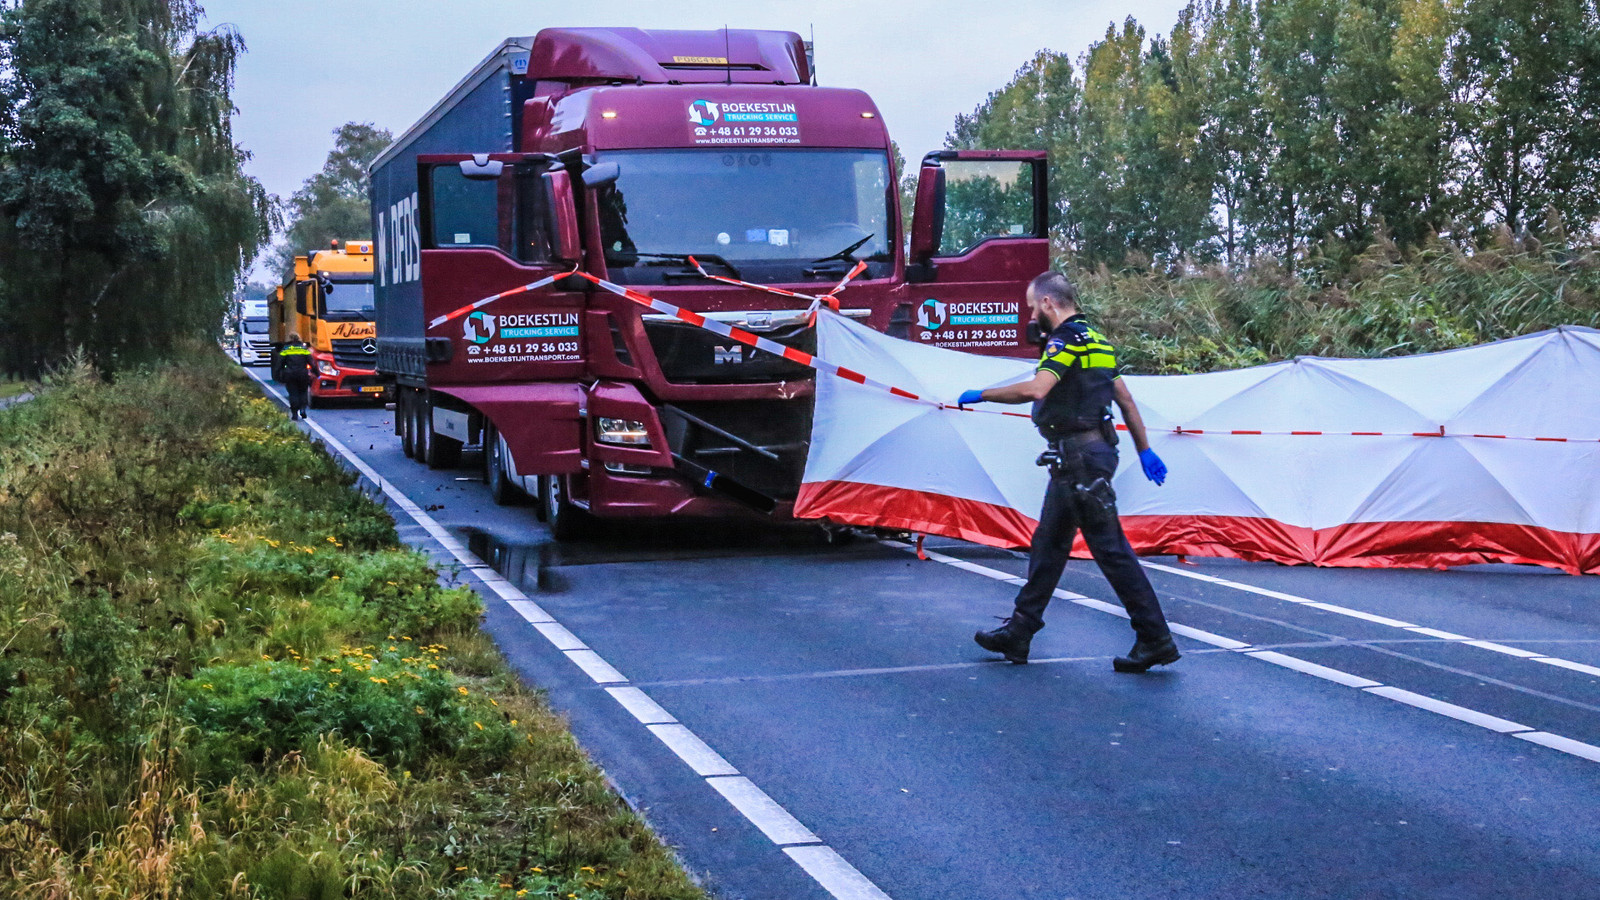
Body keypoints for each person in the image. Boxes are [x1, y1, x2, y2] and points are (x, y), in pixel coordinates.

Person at [955, 271, 1179, 673]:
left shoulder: (1065, 340)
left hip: (1079, 459)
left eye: (1030, 305)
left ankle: (1155, 638)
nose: (1030, 313)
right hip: (1086, 456)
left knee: (1110, 551)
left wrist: (982, 394)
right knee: (1049, 544)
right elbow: (1125, 400)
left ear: (1047, 304)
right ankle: (1019, 631)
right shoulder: (1098, 341)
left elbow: (1038, 389)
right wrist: (1144, 450)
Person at [279, 333, 313, 420]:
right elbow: (311, 362)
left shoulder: (286, 349)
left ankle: (294, 414)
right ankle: (302, 410)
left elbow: (280, 363)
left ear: (290, 339)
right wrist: (317, 374)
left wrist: (280, 373)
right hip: (302, 375)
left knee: (293, 394)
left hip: (290, 375)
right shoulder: (304, 349)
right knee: (303, 392)